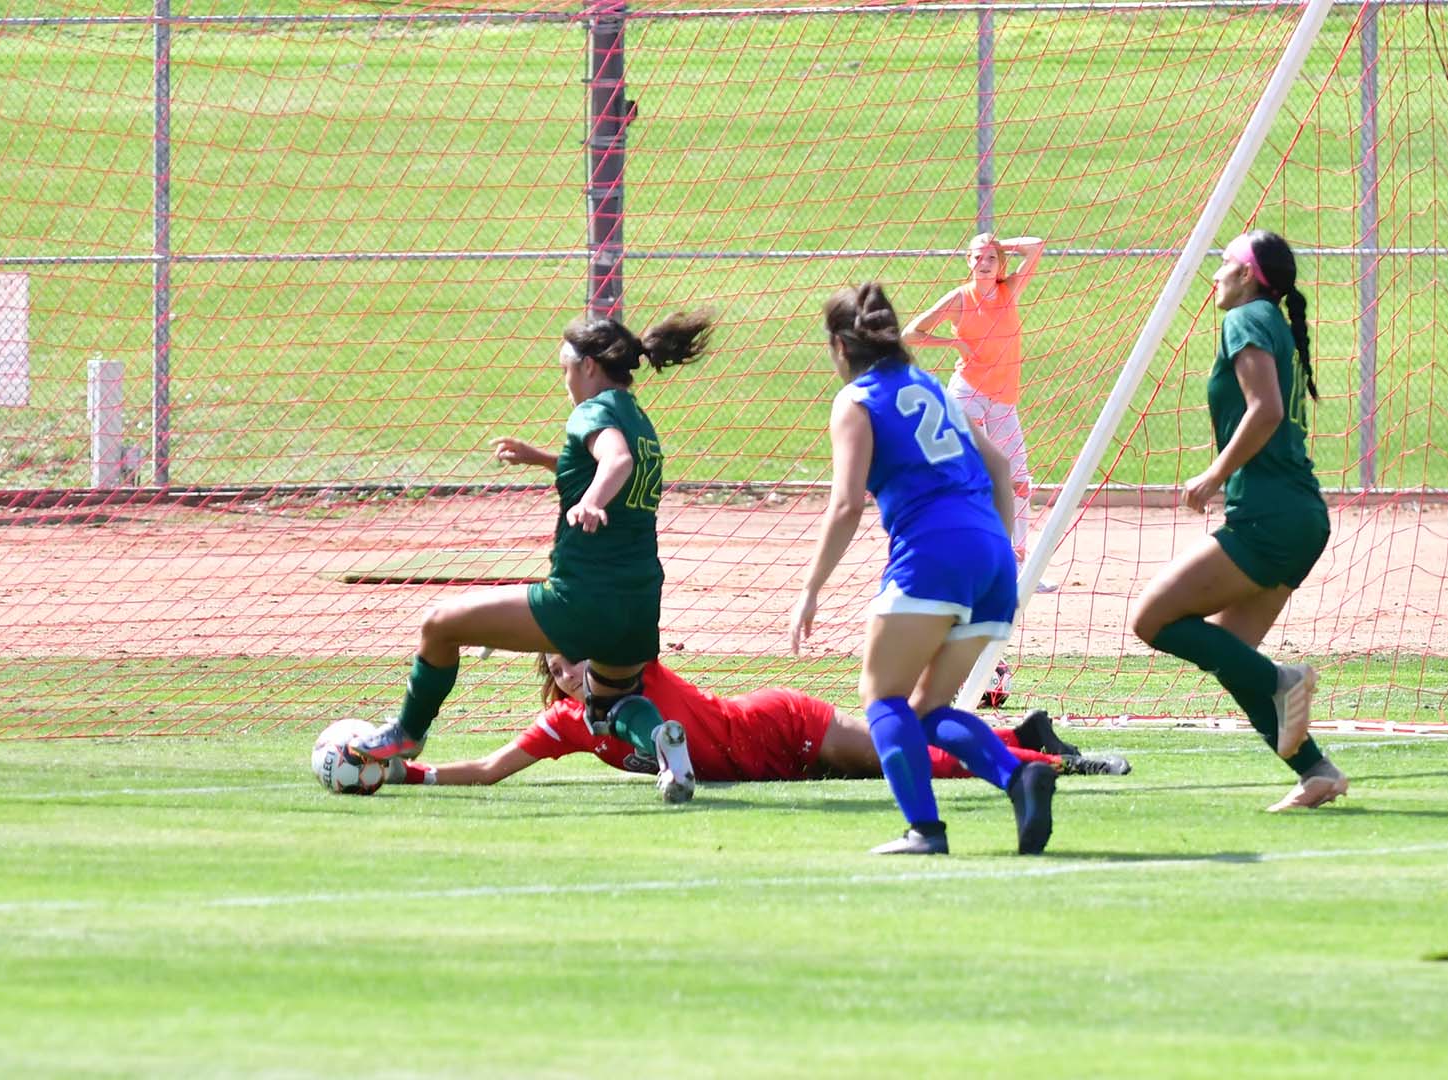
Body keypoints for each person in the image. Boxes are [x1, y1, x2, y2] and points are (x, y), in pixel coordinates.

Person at [345, 310, 716, 804]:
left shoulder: (593, 409)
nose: (565, 380)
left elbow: (616, 460)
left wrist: (591, 502)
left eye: (565, 367)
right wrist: (542, 459)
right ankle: (663, 743)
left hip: (583, 597)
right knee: (609, 704)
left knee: (439, 625)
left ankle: (407, 734)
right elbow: (610, 462)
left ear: (587, 365)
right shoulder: (638, 417)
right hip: (640, 603)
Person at [792, 282, 1056, 856]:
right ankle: (1019, 776)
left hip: (933, 551)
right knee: (928, 708)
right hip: (992, 557)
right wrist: (998, 546)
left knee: (881, 697)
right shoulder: (932, 386)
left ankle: (926, 831)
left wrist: (810, 588)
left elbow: (846, 504)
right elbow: (1000, 466)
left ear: (840, 346)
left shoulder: (856, 400)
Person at [1130, 230, 1345, 813]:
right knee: (1232, 657)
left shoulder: (1245, 317)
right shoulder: (1269, 319)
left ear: (1249, 274)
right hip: (1299, 517)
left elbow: (1266, 409)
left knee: (1151, 618)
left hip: (1270, 516)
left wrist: (1212, 475)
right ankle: (1315, 772)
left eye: (1224, 262)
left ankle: (1284, 680)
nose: (1216, 273)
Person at [385, 655, 1130, 787]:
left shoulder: (637, 670)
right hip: (771, 764)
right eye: (558, 667)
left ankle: (1052, 762)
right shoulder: (569, 726)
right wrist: (406, 773)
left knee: (915, 760)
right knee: (907, 751)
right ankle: (1022, 735)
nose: (573, 671)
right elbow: (489, 769)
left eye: (578, 657)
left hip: (779, 727)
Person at [903, 232, 1055, 592]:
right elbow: (911, 333)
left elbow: (1035, 247)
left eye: (991, 258)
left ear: (1000, 263)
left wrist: (997, 244)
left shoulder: (1009, 290)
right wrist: (953, 341)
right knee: (972, 479)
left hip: (1003, 400)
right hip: (967, 395)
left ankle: (1017, 565)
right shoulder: (959, 298)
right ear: (967, 262)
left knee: (1019, 482)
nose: (984, 264)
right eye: (977, 257)